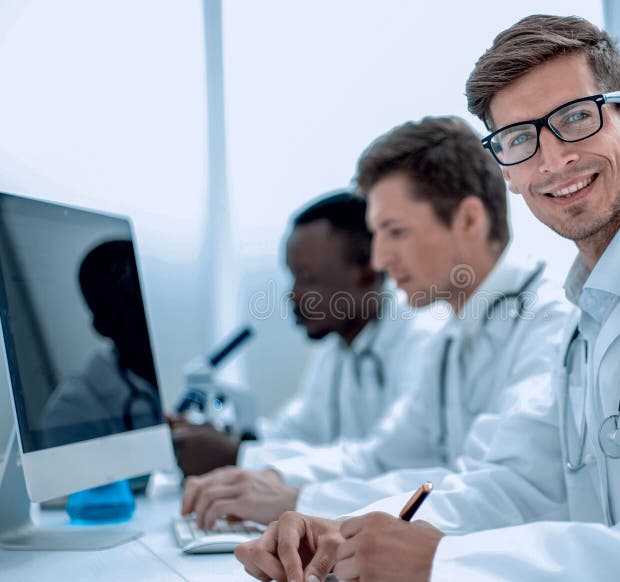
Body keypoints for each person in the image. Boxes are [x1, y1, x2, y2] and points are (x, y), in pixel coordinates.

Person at [235, 14, 620, 582]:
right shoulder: (593, 311)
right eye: (520, 140)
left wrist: (440, 561)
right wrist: (340, 534)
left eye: (577, 117)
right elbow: (514, 485)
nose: (553, 161)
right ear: (504, 169)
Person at [181, 115, 572, 531]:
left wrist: (298, 502)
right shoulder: (453, 339)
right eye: (376, 235)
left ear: (469, 221)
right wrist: (274, 482)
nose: (380, 260)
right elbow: (384, 459)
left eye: (396, 231)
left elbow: (495, 491)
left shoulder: (548, 328)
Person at [173, 192, 433, 477]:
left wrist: (239, 455)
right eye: (292, 277)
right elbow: (296, 432)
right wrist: (222, 439)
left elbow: (387, 462)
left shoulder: (422, 342)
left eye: (307, 278)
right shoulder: (337, 350)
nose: (293, 294)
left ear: (368, 274)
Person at [40, 239, 162, 447]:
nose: (147, 316)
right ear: (102, 326)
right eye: (129, 305)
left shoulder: (178, 371)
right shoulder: (70, 412)